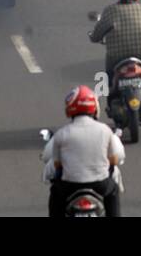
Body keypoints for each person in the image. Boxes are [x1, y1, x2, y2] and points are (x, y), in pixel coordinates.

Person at [46, 87, 124, 218]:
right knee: (113, 190)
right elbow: (114, 159)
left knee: (55, 193)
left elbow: (57, 164)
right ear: (94, 108)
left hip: (70, 186)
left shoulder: (61, 134)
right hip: (100, 185)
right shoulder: (105, 130)